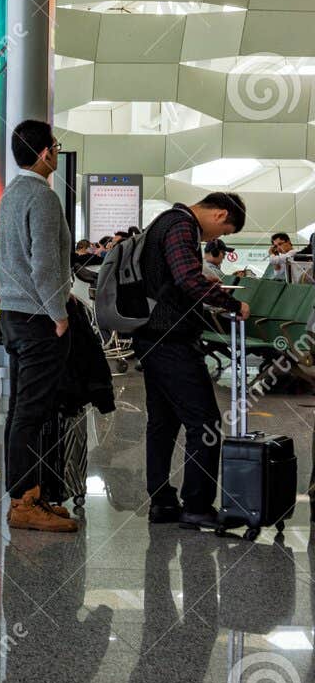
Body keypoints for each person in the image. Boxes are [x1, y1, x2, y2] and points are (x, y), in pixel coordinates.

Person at [132, 192, 249, 530]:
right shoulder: (183, 226)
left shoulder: (164, 222)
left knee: (163, 422)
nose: (217, 239)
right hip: (171, 340)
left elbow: (175, 279)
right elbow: (186, 279)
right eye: (224, 232)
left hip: (150, 337)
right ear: (220, 214)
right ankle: (196, 504)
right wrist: (229, 304)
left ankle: (162, 501)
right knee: (206, 423)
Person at [0, 119, 78, 533]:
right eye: (56, 147)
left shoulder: (12, 194)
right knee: (32, 410)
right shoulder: (42, 198)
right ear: (46, 153)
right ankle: (25, 500)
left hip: (13, 313)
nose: (57, 153)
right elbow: (44, 263)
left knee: (20, 410)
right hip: (37, 317)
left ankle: (27, 494)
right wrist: (59, 313)